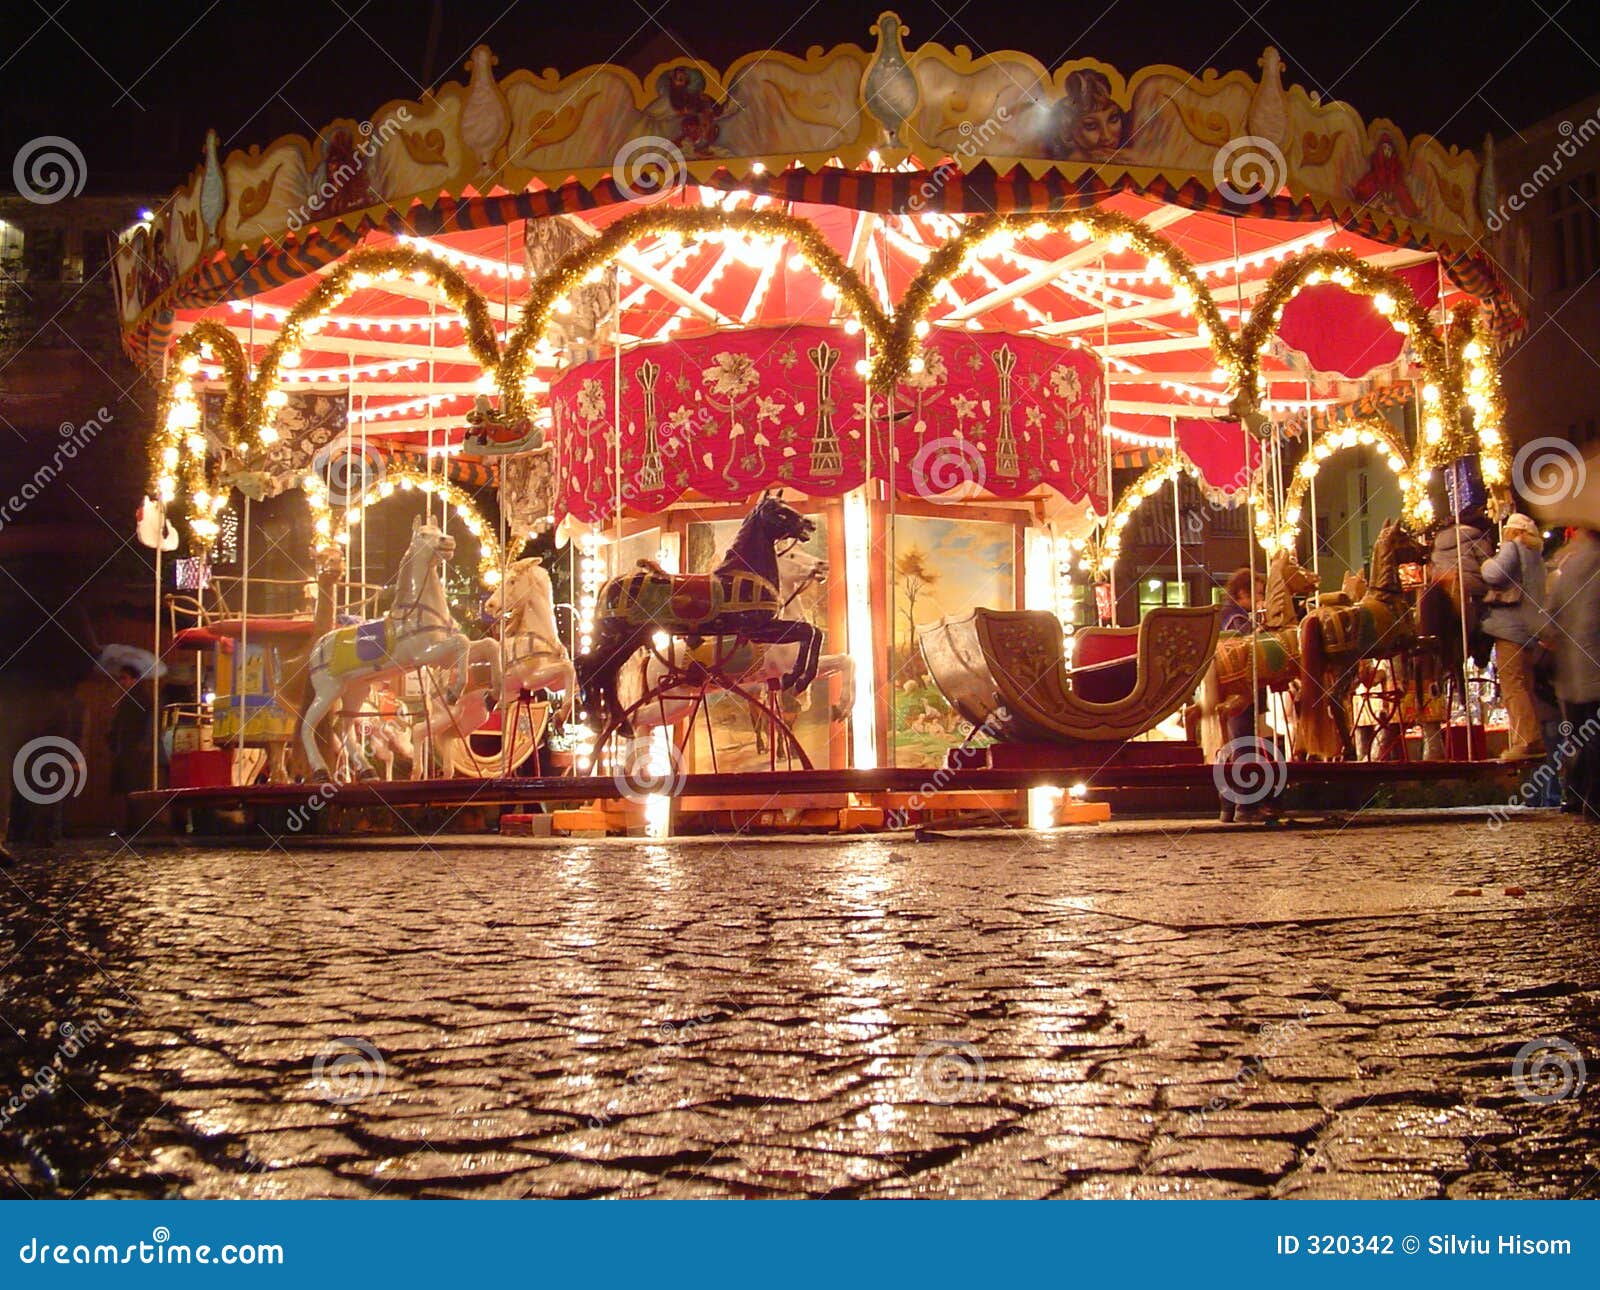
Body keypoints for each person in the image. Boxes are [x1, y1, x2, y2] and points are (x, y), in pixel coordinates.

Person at [1542, 526, 1600, 817]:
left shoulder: (1568, 567)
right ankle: (1594, 797)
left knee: (1578, 735)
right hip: (1595, 665)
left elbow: (1549, 615)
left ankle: (1578, 795)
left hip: (1572, 668)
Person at [1481, 513, 1548, 761]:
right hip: (1529, 629)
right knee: (1525, 685)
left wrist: (1486, 564)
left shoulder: (1513, 547)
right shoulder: (1536, 557)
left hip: (1510, 628)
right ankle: (1533, 737)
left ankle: (1525, 740)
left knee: (1512, 684)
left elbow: (1493, 574)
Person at [1431, 504, 1494, 666]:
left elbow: (1435, 566)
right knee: (1491, 614)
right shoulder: (1477, 537)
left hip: (1444, 588)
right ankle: (1481, 651)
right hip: (1470, 589)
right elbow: (1488, 568)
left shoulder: (1440, 540)